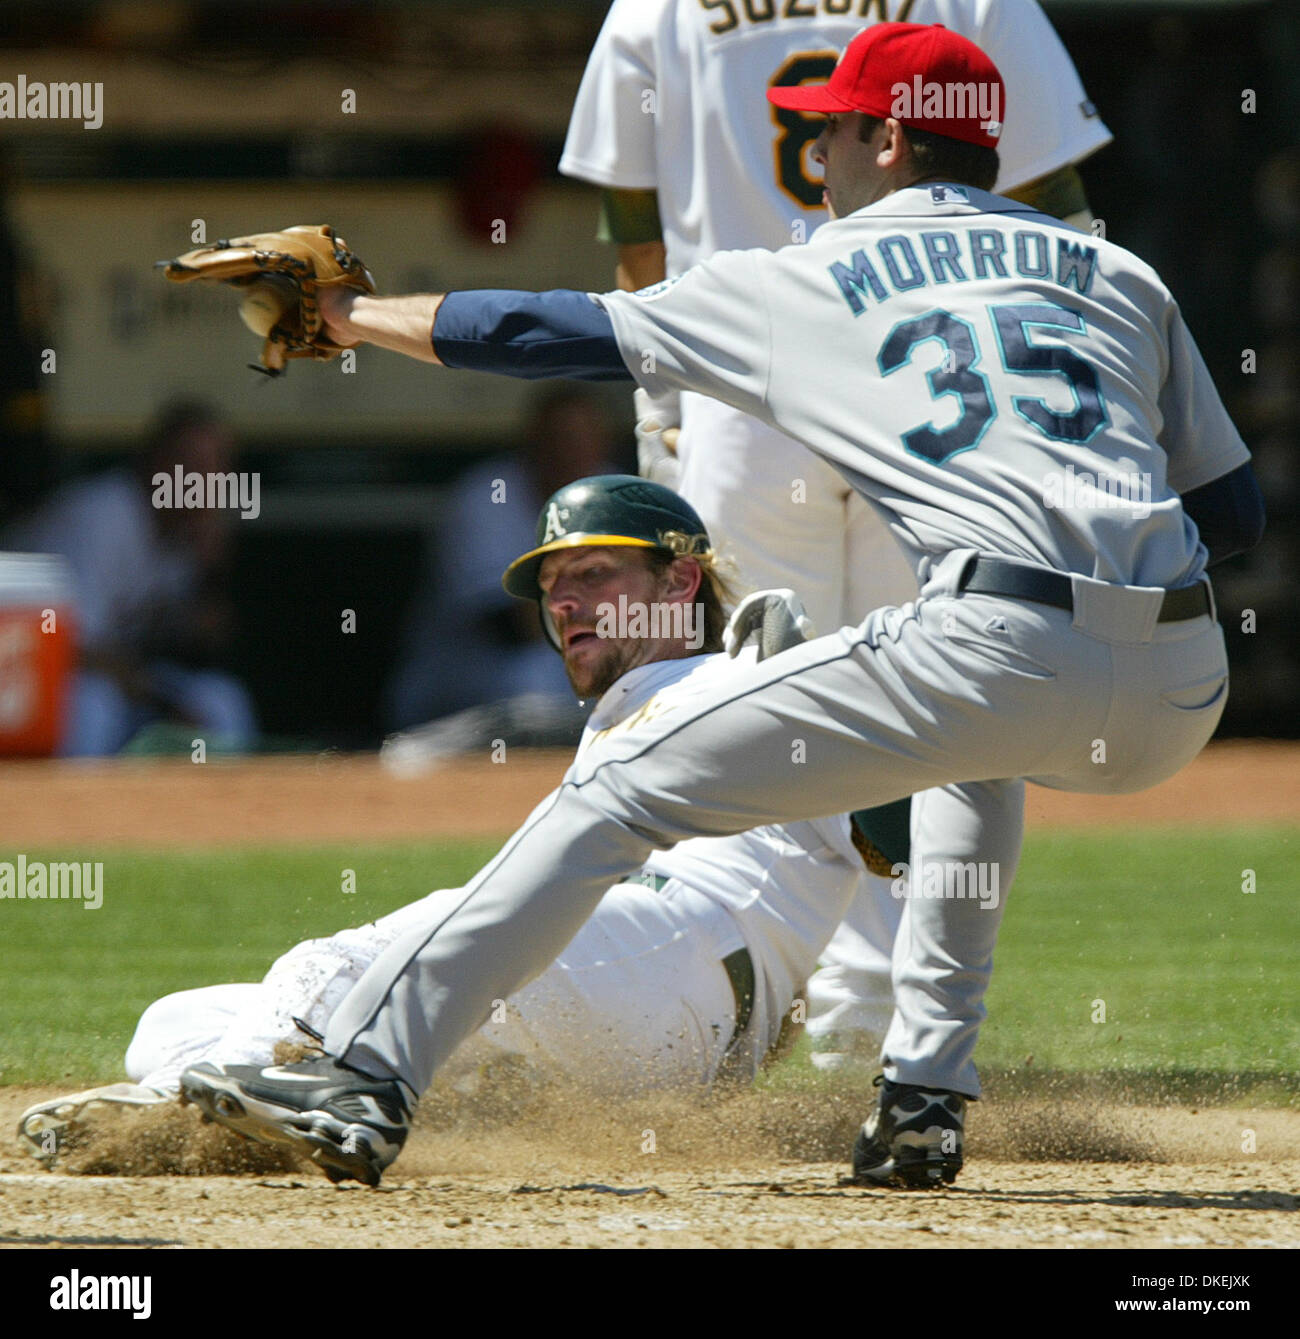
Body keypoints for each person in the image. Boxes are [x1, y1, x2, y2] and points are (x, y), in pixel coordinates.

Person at [178, 23, 1263, 1191]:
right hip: (1178, 676)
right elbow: (1236, 513)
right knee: (972, 752)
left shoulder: (810, 274)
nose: (817, 153)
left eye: (828, 130)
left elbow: (548, 332)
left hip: (995, 640)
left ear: (884, 138)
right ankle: (922, 1098)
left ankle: (367, 1076)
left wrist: (347, 318)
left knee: (616, 785)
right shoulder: (1118, 272)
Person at [19, 477, 880, 1170]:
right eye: (552, 585)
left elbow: (900, 819)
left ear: (679, 581)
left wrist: (816, 692)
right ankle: (234, 1109)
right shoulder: (627, 714)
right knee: (171, 1020)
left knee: (332, 965)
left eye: (594, 574)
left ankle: (195, 1109)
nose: (566, 603)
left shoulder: (745, 683)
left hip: (684, 955)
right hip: (628, 1009)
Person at [561, 0, 1115, 1074]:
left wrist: (660, 398)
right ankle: (878, 1027)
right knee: (938, 710)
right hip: (934, 377)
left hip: (742, 373)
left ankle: (732, 998)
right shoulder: (974, 2)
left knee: (746, 700)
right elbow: (1057, 202)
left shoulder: (653, 6)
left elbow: (630, 227)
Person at [1, 400, 258, 755]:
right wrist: (161, 701)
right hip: (24, 677)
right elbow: (69, 650)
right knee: (92, 703)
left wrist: (211, 573)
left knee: (222, 700)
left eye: (217, 465)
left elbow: (207, 638)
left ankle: (226, 809)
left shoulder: (187, 535)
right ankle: (67, 808)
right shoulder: (101, 517)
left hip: (122, 683)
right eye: (194, 465)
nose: (209, 479)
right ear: (156, 464)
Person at [383, 386, 616, 747]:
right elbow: (508, 627)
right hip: (467, 673)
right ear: (533, 441)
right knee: (535, 681)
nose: (574, 452)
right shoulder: (487, 494)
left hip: (572, 660)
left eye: (585, 439)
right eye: (561, 439)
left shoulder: (615, 494)